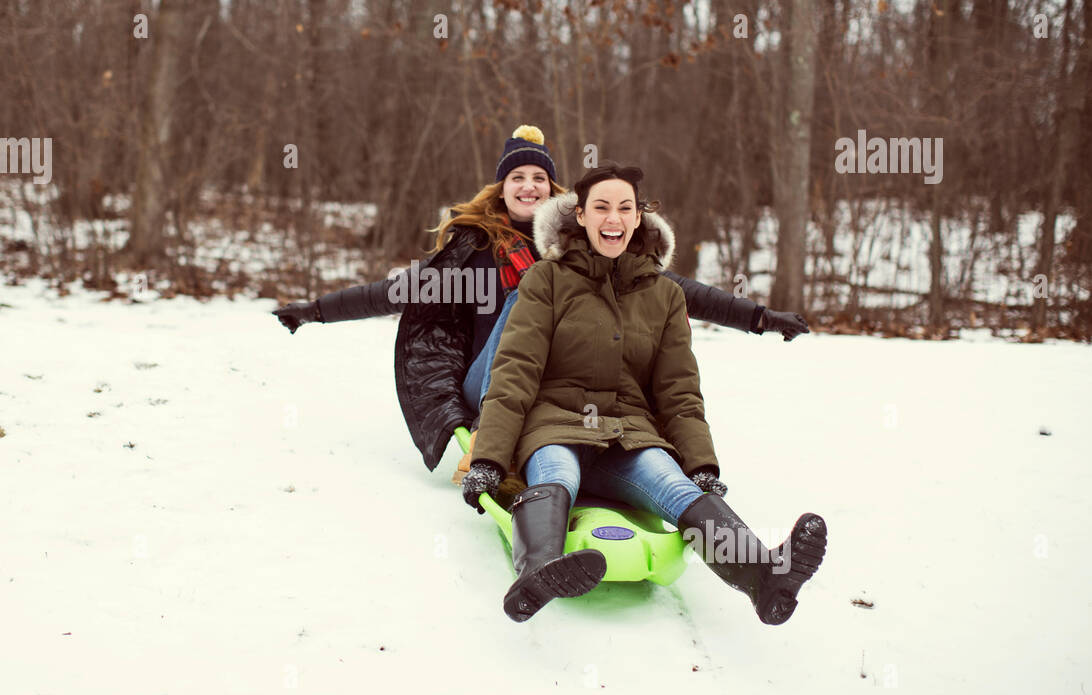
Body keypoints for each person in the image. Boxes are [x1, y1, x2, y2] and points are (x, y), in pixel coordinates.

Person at [272, 125, 809, 477]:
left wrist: (758, 317)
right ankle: (499, 441)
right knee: (527, 299)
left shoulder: (579, 244)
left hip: (559, 385)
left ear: (553, 190)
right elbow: (392, 292)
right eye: (517, 178)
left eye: (538, 178)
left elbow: (677, 290)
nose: (528, 187)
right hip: (492, 384)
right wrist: (315, 310)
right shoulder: (473, 251)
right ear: (502, 187)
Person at [460, 163, 827, 625]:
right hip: (554, 422)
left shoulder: (664, 295)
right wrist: (488, 461)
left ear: (638, 218)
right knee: (556, 473)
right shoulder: (545, 281)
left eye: (624, 208)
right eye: (601, 207)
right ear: (581, 216)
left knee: (674, 486)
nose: (612, 218)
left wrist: (701, 466)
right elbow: (515, 372)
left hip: (629, 435)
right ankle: (538, 571)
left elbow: (679, 391)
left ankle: (764, 577)